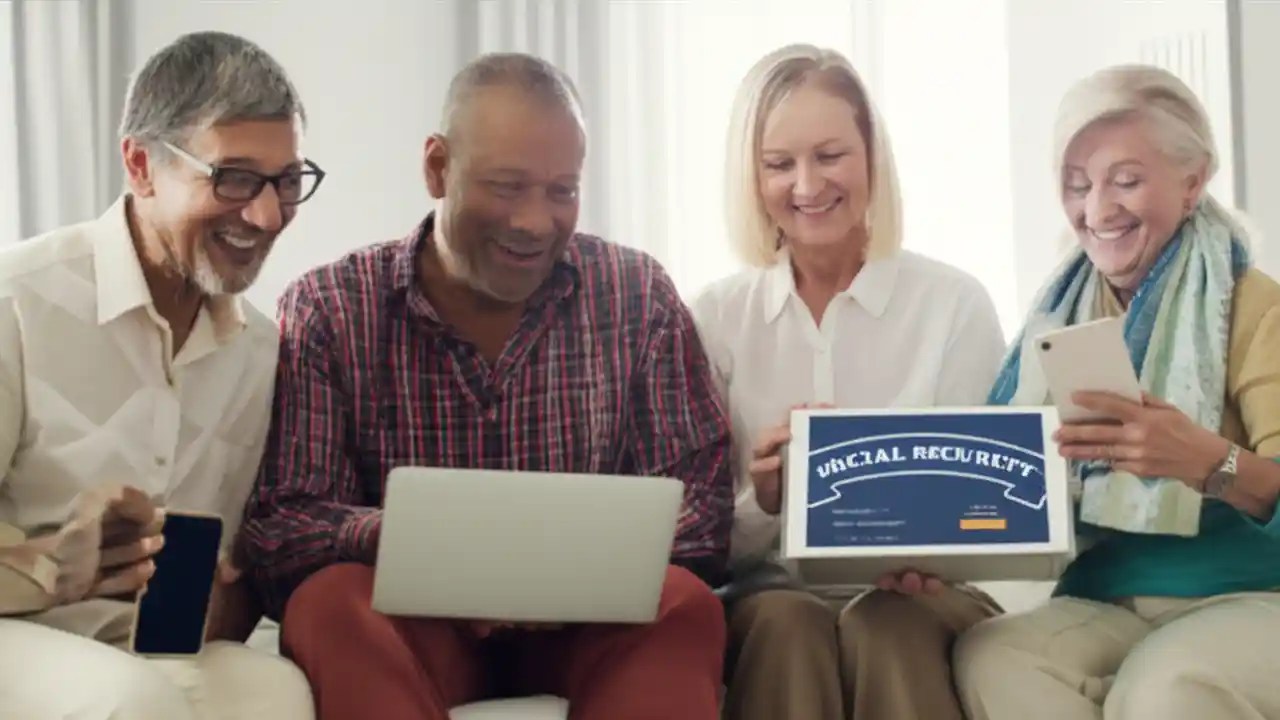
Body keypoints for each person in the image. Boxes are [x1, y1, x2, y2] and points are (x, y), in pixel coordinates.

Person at [240, 52, 734, 720]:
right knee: (329, 604)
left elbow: (703, 512)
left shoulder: (638, 294)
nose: (534, 221)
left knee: (686, 604)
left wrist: (552, 568)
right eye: (507, 186)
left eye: (562, 190)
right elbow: (281, 526)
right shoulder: (332, 307)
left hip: (593, 628)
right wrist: (408, 541)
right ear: (438, 168)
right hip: (415, 631)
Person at [0, 31, 322, 720]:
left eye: (287, 181)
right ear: (142, 165)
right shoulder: (15, 303)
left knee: (278, 693)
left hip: (151, 645)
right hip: (15, 634)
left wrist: (228, 596)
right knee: (134, 702)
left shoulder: (260, 349)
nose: (267, 216)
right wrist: (52, 564)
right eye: (233, 177)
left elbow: (227, 579)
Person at [691, 44, 1008, 720]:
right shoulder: (717, 316)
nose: (807, 186)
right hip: (770, 594)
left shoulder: (952, 304)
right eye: (779, 164)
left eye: (830, 155)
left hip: (927, 595)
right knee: (784, 624)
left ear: (872, 158)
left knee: (885, 621)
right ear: (752, 177)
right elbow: (701, 538)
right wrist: (769, 499)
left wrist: (931, 547)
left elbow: (991, 511)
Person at [954, 64, 1280, 720]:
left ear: (1193, 182)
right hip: (1102, 600)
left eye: (1126, 181)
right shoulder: (1057, 325)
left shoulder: (1253, 307)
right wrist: (937, 549)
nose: (1097, 210)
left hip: (1251, 596)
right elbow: (995, 489)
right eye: (1077, 186)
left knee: (1163, 692)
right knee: (994, 656)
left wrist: (1208, 463)